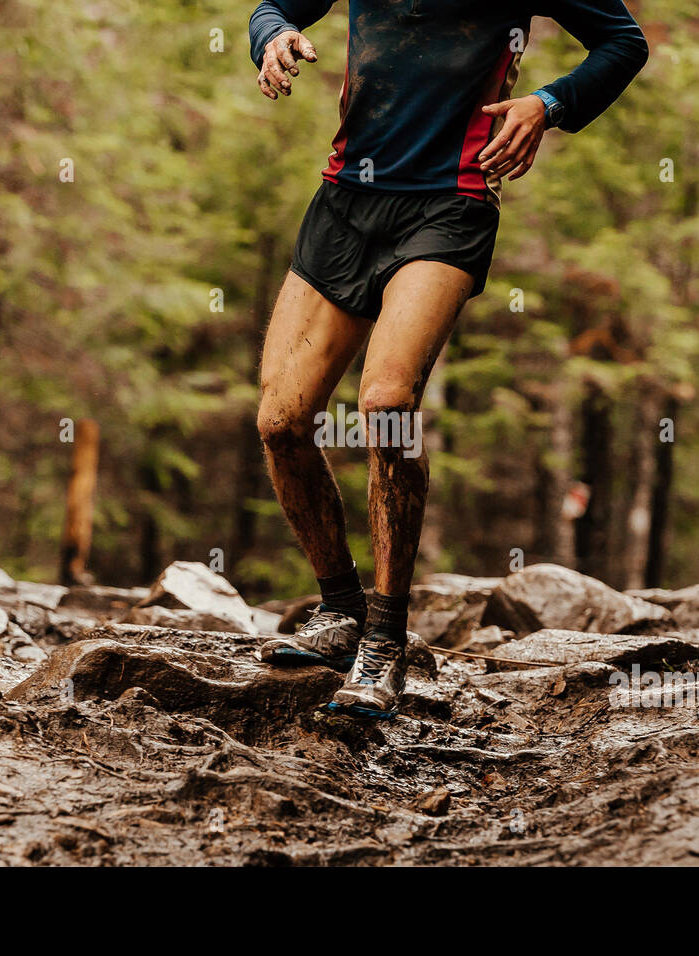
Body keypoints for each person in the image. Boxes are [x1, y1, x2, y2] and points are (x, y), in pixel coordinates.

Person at [249, 1, 648, 718]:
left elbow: (622, 42)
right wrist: (272, 37)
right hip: (346, 199)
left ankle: (385, 638)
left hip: (450, 202)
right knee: (281, 420)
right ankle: (338, 607)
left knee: (387, 404)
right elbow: (274, 5)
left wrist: (548, 103)